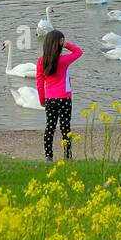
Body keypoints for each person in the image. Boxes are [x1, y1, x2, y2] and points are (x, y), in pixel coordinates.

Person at [36, 30, 82, 161]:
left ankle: (48, 156)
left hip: (50, 99)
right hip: (65, 99)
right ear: (59, 44)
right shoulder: (64, 60)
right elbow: (79, 52)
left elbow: (39, 83)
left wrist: (42, 100)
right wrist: (66, 44)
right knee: (65, 127)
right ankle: (68, 156)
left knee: (50, 127)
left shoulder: (41, 62)